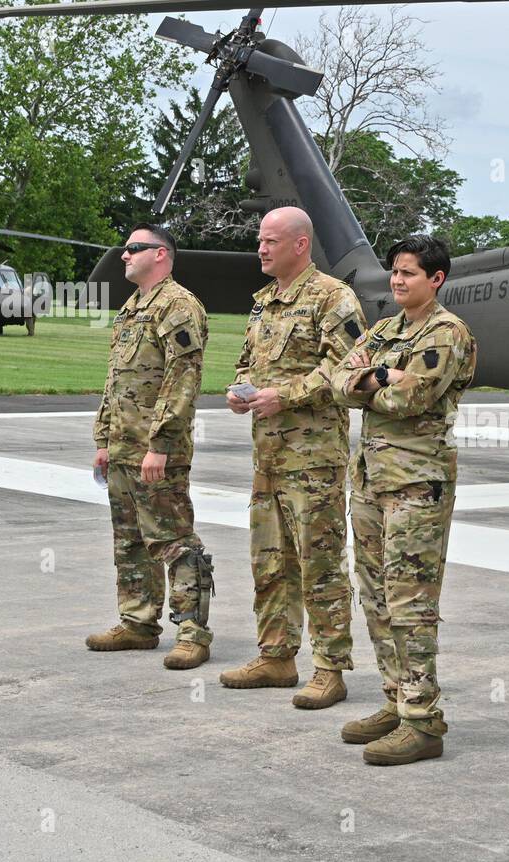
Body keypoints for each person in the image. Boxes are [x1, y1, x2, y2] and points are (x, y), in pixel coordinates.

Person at [330, 235, 476, 765]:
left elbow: (411, 399)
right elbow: (338, 381)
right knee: (374, 594)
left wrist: (375, 380)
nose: (396, 280)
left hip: (417, 484)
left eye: (409, 273)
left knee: (410, 603)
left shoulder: (447, 333)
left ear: (435, 279)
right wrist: (379, 376)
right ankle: (396, 699)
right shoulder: (388, 328)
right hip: (370, 480)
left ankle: (423, 720)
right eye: (394, 272)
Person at [220, 207, 365, 708]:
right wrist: (238, 390)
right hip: (268, 455)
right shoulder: (264, 304)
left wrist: (287, 394)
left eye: (270, 241)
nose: (261, 248)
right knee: (270, 560)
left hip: (314, 457)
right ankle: (277, 655)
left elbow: (345, 369)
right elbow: (247, 361)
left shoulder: (334, 298)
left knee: (319, 562)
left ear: (300, 244)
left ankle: (329, 668)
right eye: (260, 241)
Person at [87, 224, 215, 670]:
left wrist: (160, 443)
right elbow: (115, 380)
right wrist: (103, 439)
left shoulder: (178, 306)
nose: (124, 256)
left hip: (156, 450)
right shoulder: (132, 308)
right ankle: (138, 623)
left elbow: (182, 380)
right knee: (130, 541)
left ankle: (193, 633)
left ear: (160, 255)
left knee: (173, 539)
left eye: (133, 249)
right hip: (123, 448)